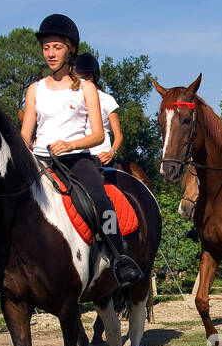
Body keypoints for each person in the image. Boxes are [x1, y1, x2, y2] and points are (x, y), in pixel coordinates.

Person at [20, 15, 142, 286]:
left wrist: (71, 144)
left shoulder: (87, 89)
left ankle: (119, 256)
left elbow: (98, 134)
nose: (50, 54)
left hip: (75, 159)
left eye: (57, 47)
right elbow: (25, 134)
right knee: (8, 198)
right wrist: (23, 148)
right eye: (46, 48)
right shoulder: (34, 89)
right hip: (40, 160)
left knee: (99, 197)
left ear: (70, 49)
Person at [75, 53, 122, 169]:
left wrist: (111, 153)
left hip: (101, 156)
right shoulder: (71, 98)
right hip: (77, 155)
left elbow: (118, 135)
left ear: (95, 77)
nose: (83, 80)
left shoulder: (107, 100)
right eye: (80, 77)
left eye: (87, 76)